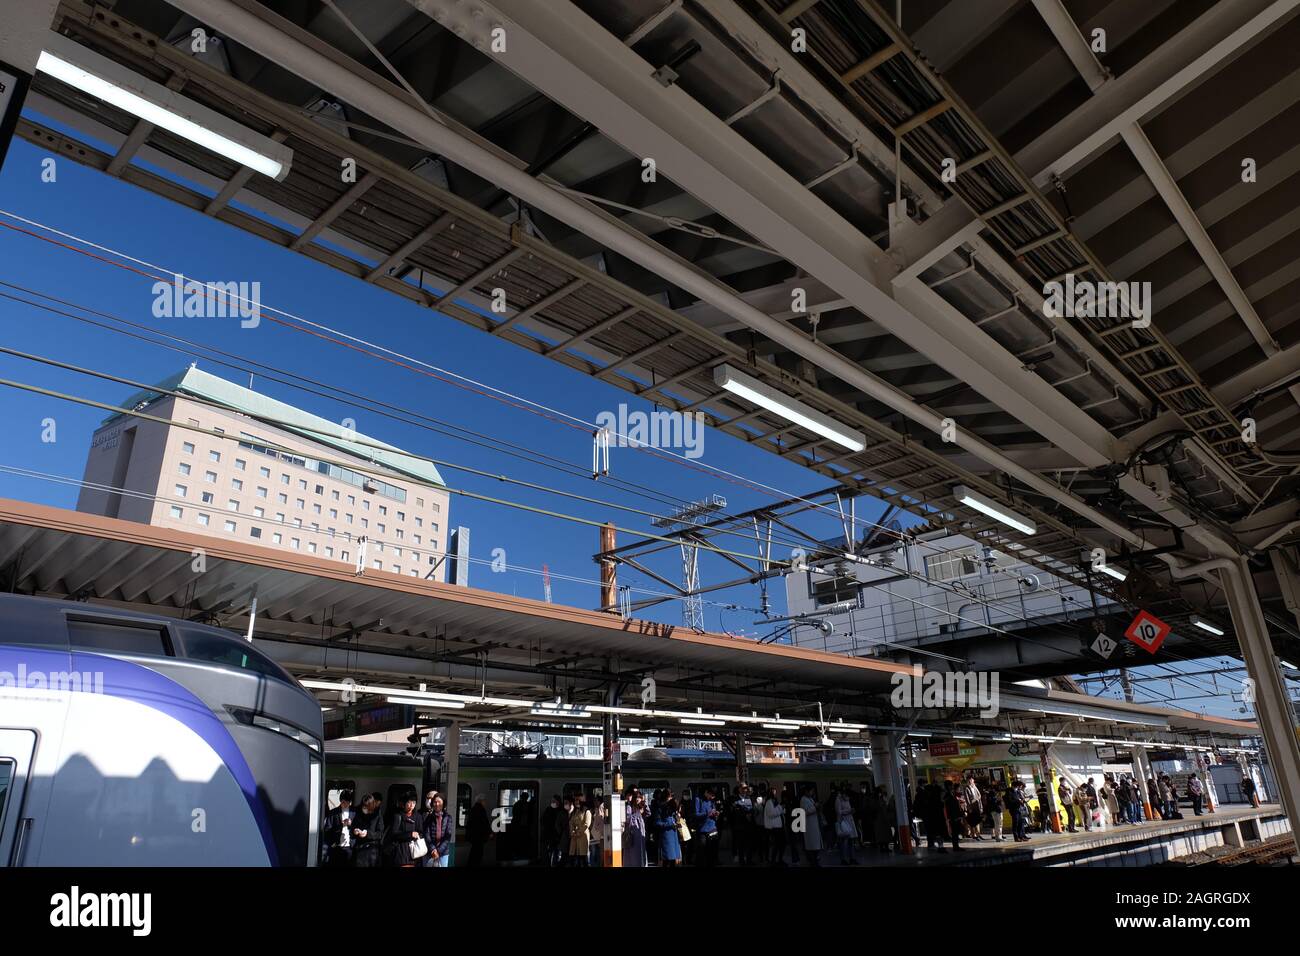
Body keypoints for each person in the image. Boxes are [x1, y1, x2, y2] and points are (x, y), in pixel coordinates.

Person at [385, 794, 425, 868]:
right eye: (409, 802)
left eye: (414, 802)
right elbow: (394, 833)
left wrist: (418, 835)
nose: (411, 805)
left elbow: (421, 832)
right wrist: (410, 834)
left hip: (415, 851)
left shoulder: (418, 816)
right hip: (401, 851)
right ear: (404, 804)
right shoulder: (398, 816)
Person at [350, 792, 385, 867]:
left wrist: (367, 834)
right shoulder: (358, 813)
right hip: (359, 849)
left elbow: (380, 834)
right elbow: (352, 828)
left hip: (372, 851)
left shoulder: (378, 814)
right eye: (364, 807)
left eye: (368, 808)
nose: (366, 810)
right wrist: (354, 831)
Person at [322, 789, 355, 867]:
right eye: (343, 802)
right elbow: (327, 829)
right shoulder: (333, 812)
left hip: (349, 846)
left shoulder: (354, 812)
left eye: (348, 802)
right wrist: (332, 843)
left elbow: (358, 826)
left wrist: (351, 824)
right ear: (340, 801)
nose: (345, 804)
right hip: (336, 846)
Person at [423, 793, 453, 867]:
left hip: (444, 853)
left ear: (443, 803)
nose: (437, 804)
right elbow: (426, 834)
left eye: (439, 802)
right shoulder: (429, 817)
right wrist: (433, 849)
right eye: (435, 802)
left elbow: (448, 836)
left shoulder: (448, 817)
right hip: (430, 852)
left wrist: (438, 851)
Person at [655, 796, 682, 867]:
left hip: (674, 837)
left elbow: (675, 820)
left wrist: (678, 820)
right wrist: (669, 824)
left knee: (673, 860)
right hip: (666, 838)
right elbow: (657, 823)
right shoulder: (661, 810)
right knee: (666, 859)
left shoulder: (673, 811)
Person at [730, 785, 754, 865]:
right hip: (739, 826)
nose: (745, 790)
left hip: (749, 826)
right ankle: (742, 862)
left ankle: (749, 861)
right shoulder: (735, 799)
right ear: (739, 789)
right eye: (743, 788)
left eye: (746, 788)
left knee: (749, 845)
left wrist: (750, 813)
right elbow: (736, 811)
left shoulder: (749, 798)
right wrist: (746, 814)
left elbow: (751, 809)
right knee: (741, 846)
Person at [624, 789, 648, 868]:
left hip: (640, 832)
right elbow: (628, 819)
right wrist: (637, 814)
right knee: (633, 854)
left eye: (640, 797)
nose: (638, 799)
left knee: (641, 852)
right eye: (637, 797)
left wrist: (644, 803)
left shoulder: (641, 806)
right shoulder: (629, 806)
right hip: (633, 833)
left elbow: (648, 813)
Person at [465, 795, 491, 867]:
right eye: (484, 801)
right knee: (478, 852)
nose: (485, 803)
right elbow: (485, 823)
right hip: (479, 836)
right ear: (481, 801)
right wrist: (489, 832)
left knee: (474, 851)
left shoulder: (473, 809)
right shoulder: (481, 810)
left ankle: (471, 863)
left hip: (474, 835)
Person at [763, 787, 786, 865]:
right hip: (774, 828)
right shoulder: (769, 802)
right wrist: (781, 808)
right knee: (776, 845)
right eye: (774, 792)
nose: (775, 793)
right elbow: (771, 814)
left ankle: (778, 860)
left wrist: (781, 809)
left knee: (780, 845)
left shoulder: (774, 801)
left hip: (778, 827)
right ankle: (774, 861)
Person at [834, 786, 856, 864]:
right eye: (846, 795)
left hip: (849, 821)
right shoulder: (838, 799)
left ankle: (852, 858)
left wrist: (851, 811)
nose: (847, 796)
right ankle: (844, 859)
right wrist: (849, 811)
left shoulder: (847, 799)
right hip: (843, 822)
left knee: (851, 841)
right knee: (844, 842)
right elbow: (839, 812)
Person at [568, 795, 592, 866]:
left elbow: (587, 824)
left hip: (582, 837)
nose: (576, 802)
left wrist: (578, 832)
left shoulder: (586, 811)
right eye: (575, 800)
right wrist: (572, 831)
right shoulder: (574, 812)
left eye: (578, 800)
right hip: (574, 837)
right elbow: (571, 822)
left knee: (583, 858)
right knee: (574, 858)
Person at [541, 795, 563, 867]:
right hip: (548, 835)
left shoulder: (561, 811)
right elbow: (543, 820)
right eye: (552, 801)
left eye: (554, 801)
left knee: (556, 854)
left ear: (558, 802)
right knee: (548, 854)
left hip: (556, 837)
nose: (552, 802)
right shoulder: (548, 809)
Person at [963, 772, 984, 841]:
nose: (970, 781)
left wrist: (974, 787)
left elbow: (979, 795)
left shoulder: (975, 787)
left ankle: (978, 834)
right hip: (971, 808)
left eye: (971, 780)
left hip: (977, 806)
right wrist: (969, 808)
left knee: (977, 821)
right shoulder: (966, 788)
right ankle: (973, 835)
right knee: (972, 822)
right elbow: (967, 799)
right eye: (969, 780)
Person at [590, 800, 606, 866]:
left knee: (600, 852)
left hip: (600, 835)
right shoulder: (602, 807)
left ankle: (599, 864)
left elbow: (597, 823)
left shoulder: (600, 808)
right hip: (605, 834)